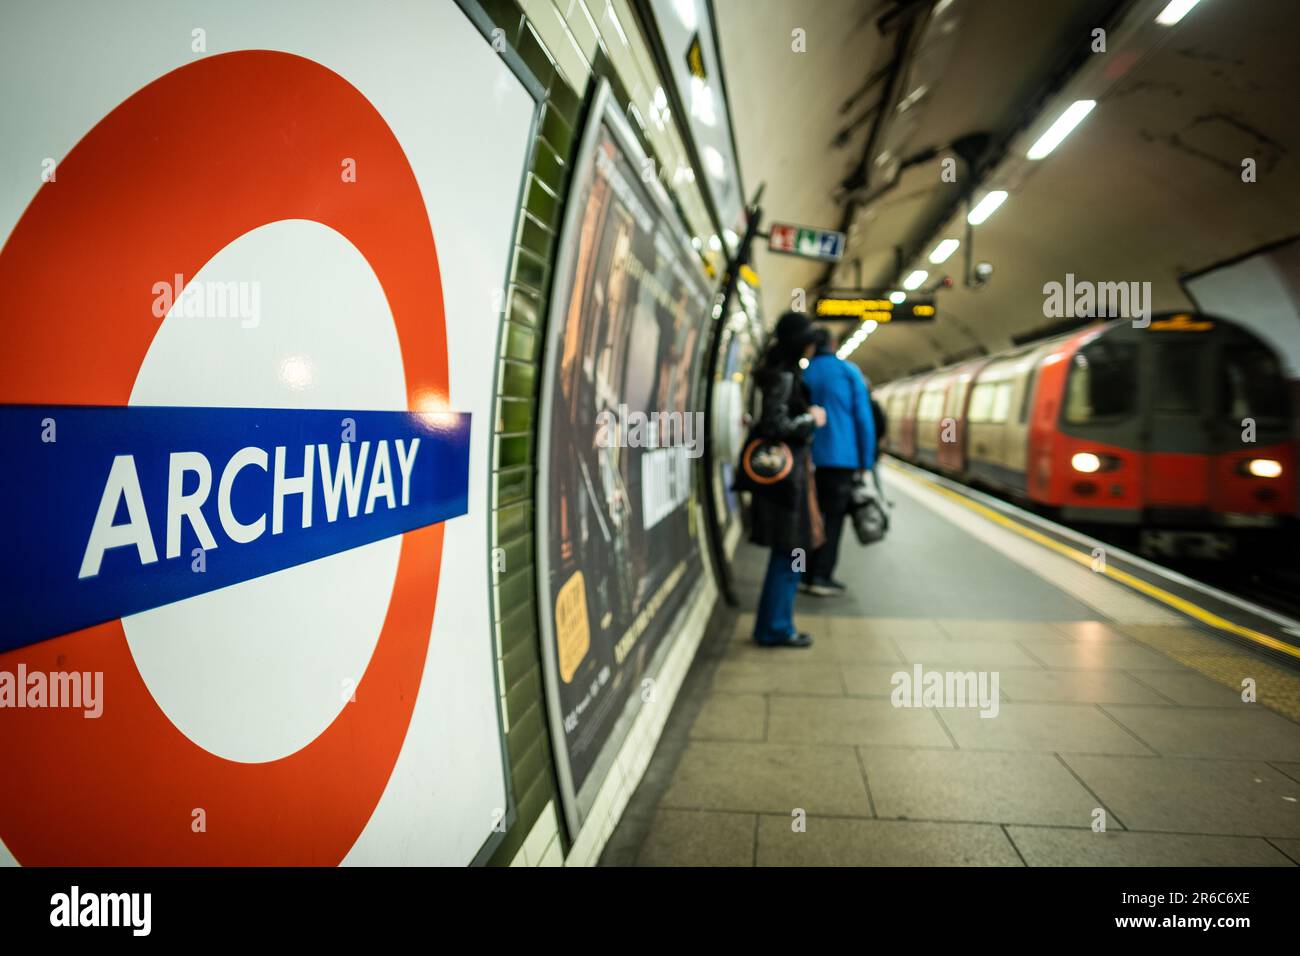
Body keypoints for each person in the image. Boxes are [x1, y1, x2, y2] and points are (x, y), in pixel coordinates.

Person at [748, 312, 826, 647]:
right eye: (809, 340)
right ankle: (776, 628)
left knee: (788, 552)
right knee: (791, 551)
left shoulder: (780, 373)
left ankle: (774, 625)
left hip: (783, 479)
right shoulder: (785, 378)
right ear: (800, 343)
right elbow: (775, 426)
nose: (812, 346)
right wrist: (810, 418)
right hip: (786, 481)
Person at [800, 326, 876, 595]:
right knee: (832, 520)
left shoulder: (804, 372)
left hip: (806, 459)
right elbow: (863, 419)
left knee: (808, 515)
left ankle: (803, 573)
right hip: (839, 460)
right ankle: (821, 576)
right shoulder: (848, 372)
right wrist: (866, 462)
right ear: (833, 344)